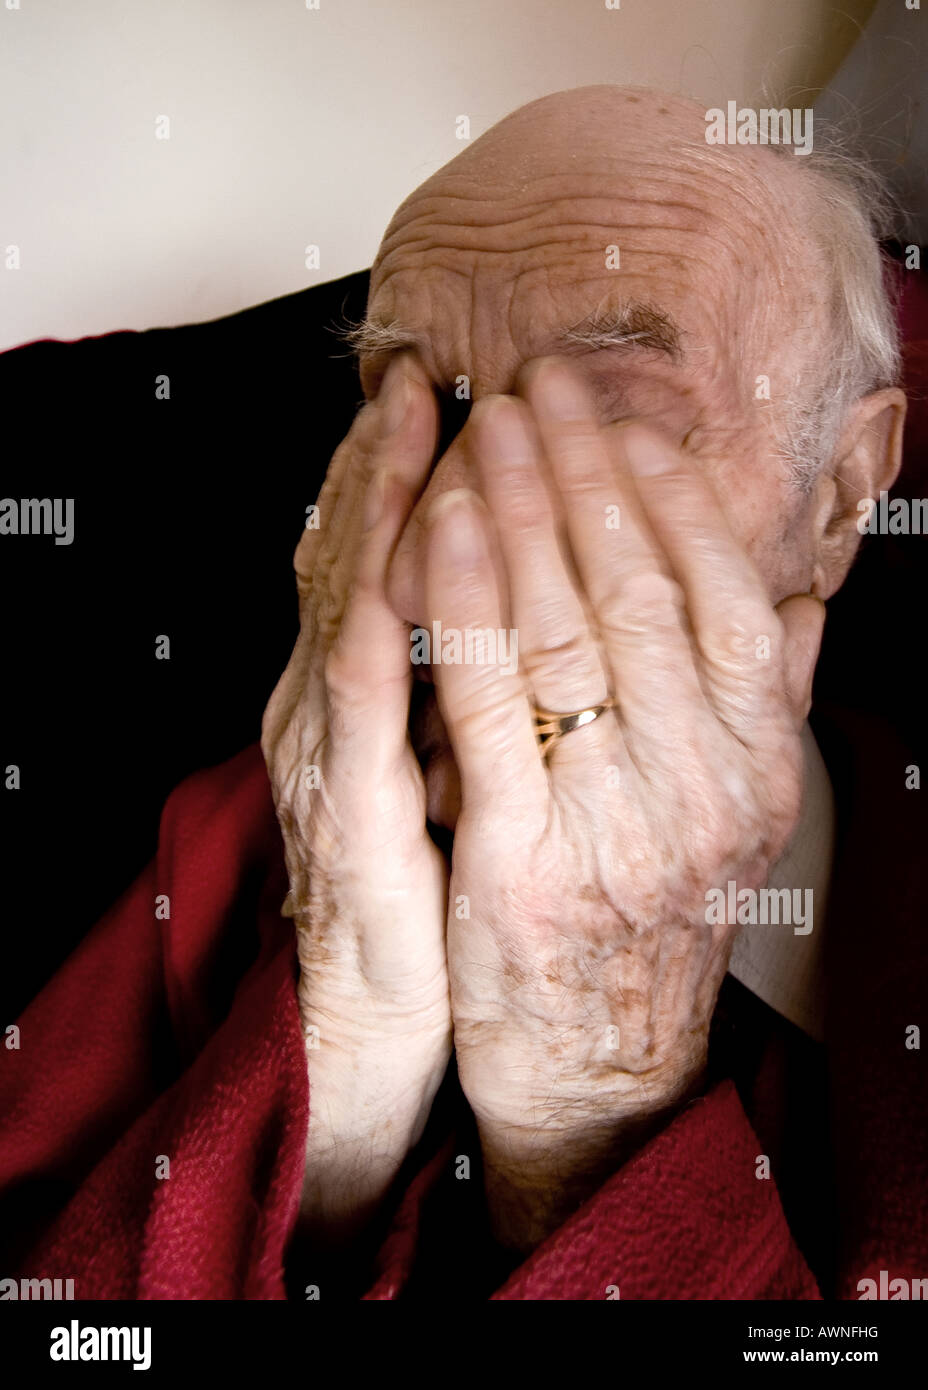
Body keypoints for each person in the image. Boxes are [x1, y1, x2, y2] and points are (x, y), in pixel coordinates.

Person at [1, 85, 926, 1301]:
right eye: (410, 411)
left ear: (841, 496)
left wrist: (594, 1113)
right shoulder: (232, 836)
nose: (443, 539)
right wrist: (335, 1078)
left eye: (600, 415)